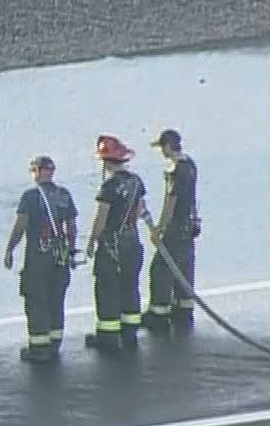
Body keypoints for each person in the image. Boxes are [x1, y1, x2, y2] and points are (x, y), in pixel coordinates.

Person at [3, 154, 78, 362]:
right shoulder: (64, 195)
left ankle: (39, 347)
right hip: (60, 255)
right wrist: (71, 251)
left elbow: (21, 226)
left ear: (37, 171)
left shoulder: (31, 196)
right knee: (56, 299)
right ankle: (54, 343)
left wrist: (9, 249)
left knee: (36, 299)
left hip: (39, 255)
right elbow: (71, 227)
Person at [84, 134, 149, 354]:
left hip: (112, 244)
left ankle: (108, 335)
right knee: (130, 285)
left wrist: (92, 242)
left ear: (106, 162)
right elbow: (140, 210)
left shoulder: (109, 188)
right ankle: (130, 331)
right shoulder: (136, 182)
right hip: (132, 240)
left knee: (107, 288)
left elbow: (101, 219)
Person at [145, 127, 201, 335]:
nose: (162, 152)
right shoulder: (190, 164)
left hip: (176, 226)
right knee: (185, 265)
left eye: (162, 147)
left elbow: (171, 201)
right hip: (189, 224)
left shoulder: (175, 170)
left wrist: (159, 228)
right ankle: (184, 309)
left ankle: (159, 314)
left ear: (168, 146)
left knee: (161, 267)